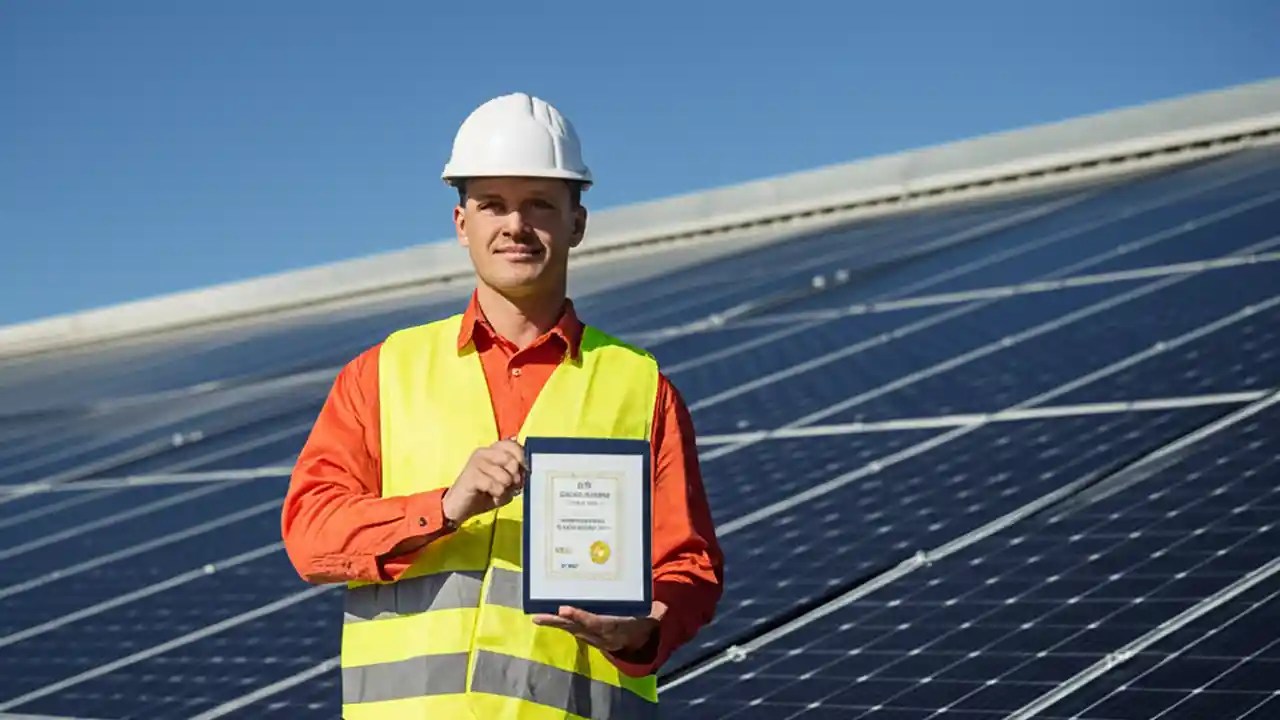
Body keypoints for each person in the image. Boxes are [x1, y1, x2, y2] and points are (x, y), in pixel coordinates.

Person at [281, 92, 724, 719]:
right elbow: (310, 534)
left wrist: (646, 628)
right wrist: (442, 507)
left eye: (539, 204)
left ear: (577, 222)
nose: (514, 225)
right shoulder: (381, 373)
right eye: (493, 204)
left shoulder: (641, 387)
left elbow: (688, 566)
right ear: (462, 224)